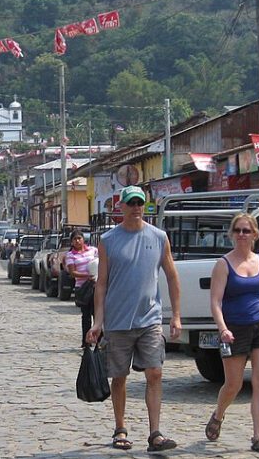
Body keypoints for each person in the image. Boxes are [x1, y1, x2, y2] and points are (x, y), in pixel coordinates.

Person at [86, 185, 181, 453]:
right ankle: (120, 428)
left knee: (155, 372)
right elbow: (101, 284)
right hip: (117, 321)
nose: (136, 207)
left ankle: (155, 433)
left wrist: (175, 315)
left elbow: (172, 276)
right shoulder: (108, 240)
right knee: (119, 376)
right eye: (131, 203)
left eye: (140, 203)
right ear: (122, 207)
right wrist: (97, 322)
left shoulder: (159, 237)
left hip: (149, 318)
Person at [204, 213, 259, 455]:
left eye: (246, 231)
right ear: (231, 234)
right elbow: (215, 301)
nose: (241, 235)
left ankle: (258, 436)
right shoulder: (223, 264)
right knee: (233, 384)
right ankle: (219, 414)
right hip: (234, 329)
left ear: (254, 235)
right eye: (237, 230)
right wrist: (223, 328)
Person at [65, 230, 98, 348]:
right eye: (75, 239)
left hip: (96, 286)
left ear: (83, 239)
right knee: (86, 315)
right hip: (83, 288)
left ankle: (99, 339)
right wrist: (87, 276)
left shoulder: (93, 250)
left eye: (79, 238)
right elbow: (72, 272)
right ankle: (86, 341)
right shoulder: (70, 255)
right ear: (72, 242)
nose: (78, 241)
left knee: (98, 314)